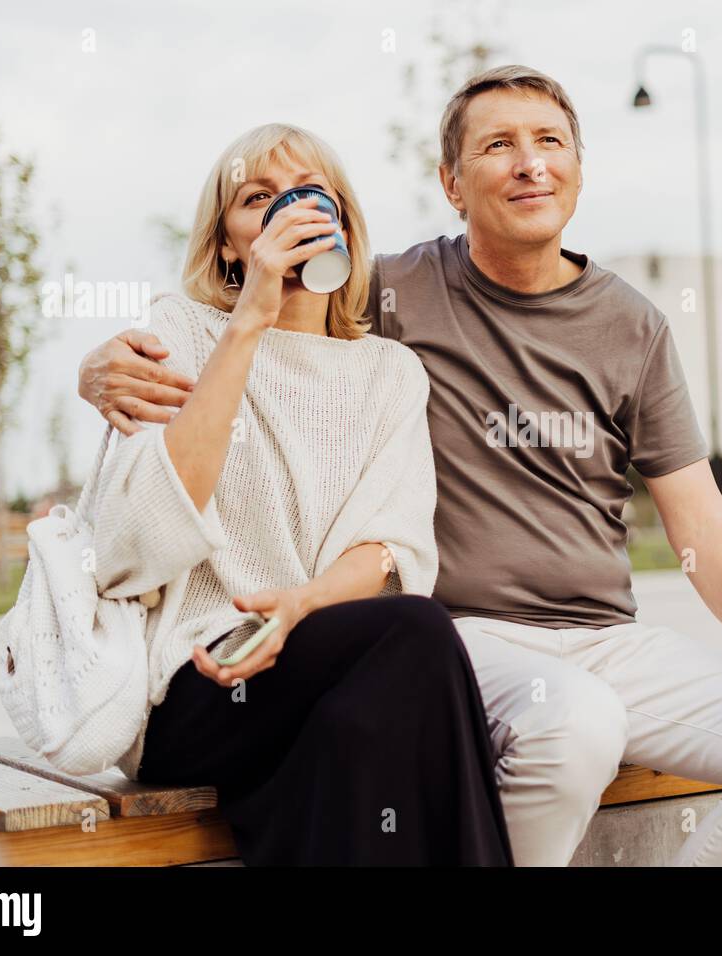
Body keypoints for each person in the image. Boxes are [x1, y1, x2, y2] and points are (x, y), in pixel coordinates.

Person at [77, 66, 722, 867]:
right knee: (575, 729)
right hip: (462, 636)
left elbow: (697, 512)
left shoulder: (635, 326)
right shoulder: (388, 293)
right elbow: (261, 314)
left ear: (579, 170)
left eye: (549, 142)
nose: (530, 164)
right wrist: (102, 366)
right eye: (499, 146)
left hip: (607, 637)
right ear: (451, 184)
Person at [87, 123, 512, 865]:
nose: (288, 212)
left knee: (355, 730)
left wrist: (300, 607)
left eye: (309, 196)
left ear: (340, 225)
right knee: (415, 638)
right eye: (258, 199)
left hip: (332, 663)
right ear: (226, 243)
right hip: (204, 681)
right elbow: (141, 539)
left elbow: (390, 548)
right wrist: (249, 319)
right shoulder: (180, 331)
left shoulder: (389, 372)